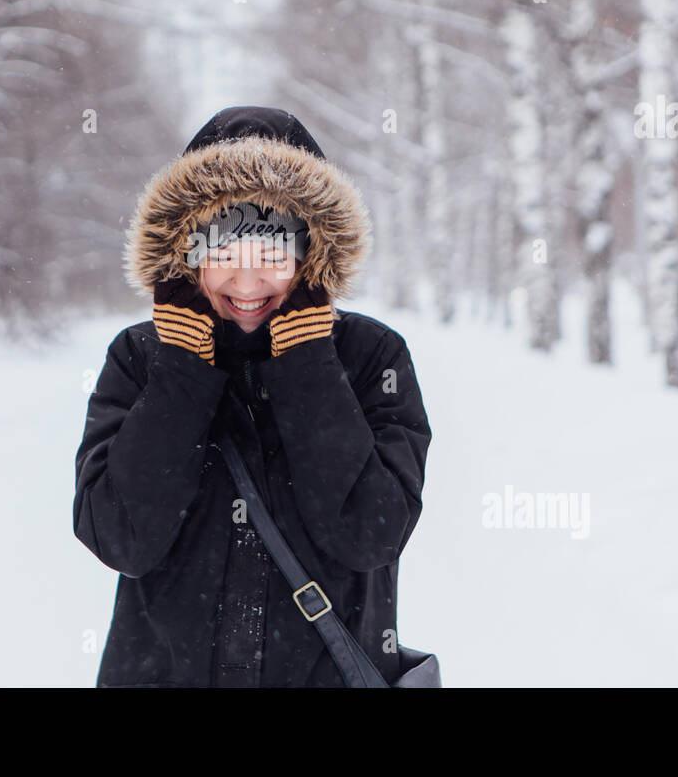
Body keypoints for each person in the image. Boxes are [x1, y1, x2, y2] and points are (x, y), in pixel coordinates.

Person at [73, 106, 432, 687]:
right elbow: (120, 538)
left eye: (271, 256)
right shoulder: (141, 358)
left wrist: (307, 364)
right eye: (222, 256)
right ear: (186, 255)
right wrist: (183, 372)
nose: (246, 285)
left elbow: (370, 535)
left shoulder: (372, 359)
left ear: (312, 256)